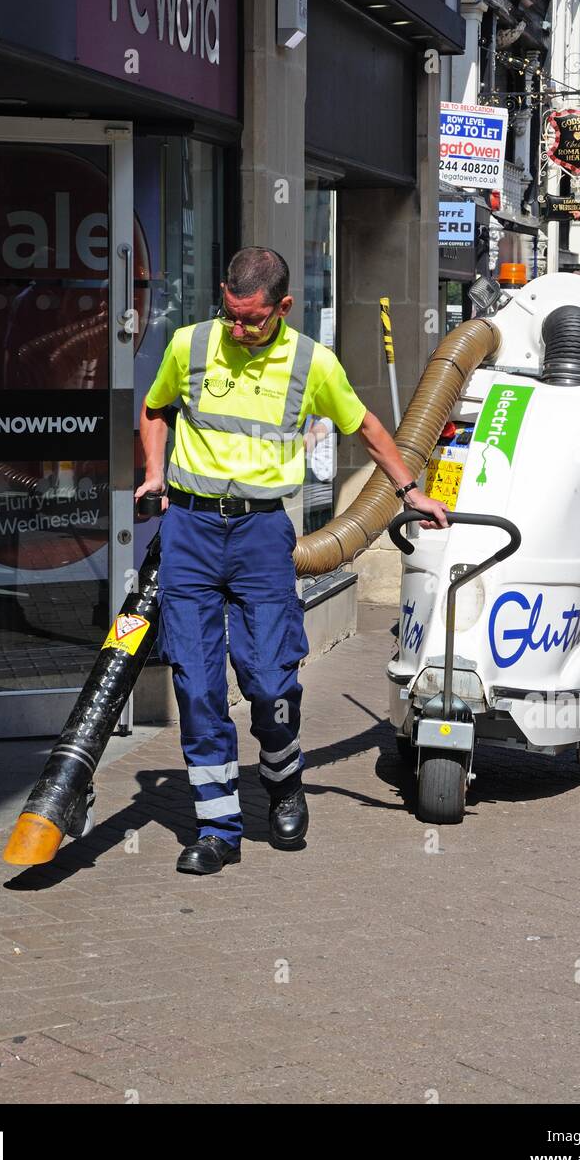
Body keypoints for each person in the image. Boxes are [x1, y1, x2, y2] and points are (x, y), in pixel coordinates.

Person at [135, 246, 448, 875]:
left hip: (260, 537)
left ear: (283, 306)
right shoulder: (191, 345)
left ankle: (283, 780)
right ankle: (218, 827)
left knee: (270, 681)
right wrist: (152, 474)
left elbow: (368, 429)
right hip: (191, 532)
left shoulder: (313, 363)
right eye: (231, 314)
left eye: (252, 319)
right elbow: (155, 408)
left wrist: (410, 491)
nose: (239, 329)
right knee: (196, 689)